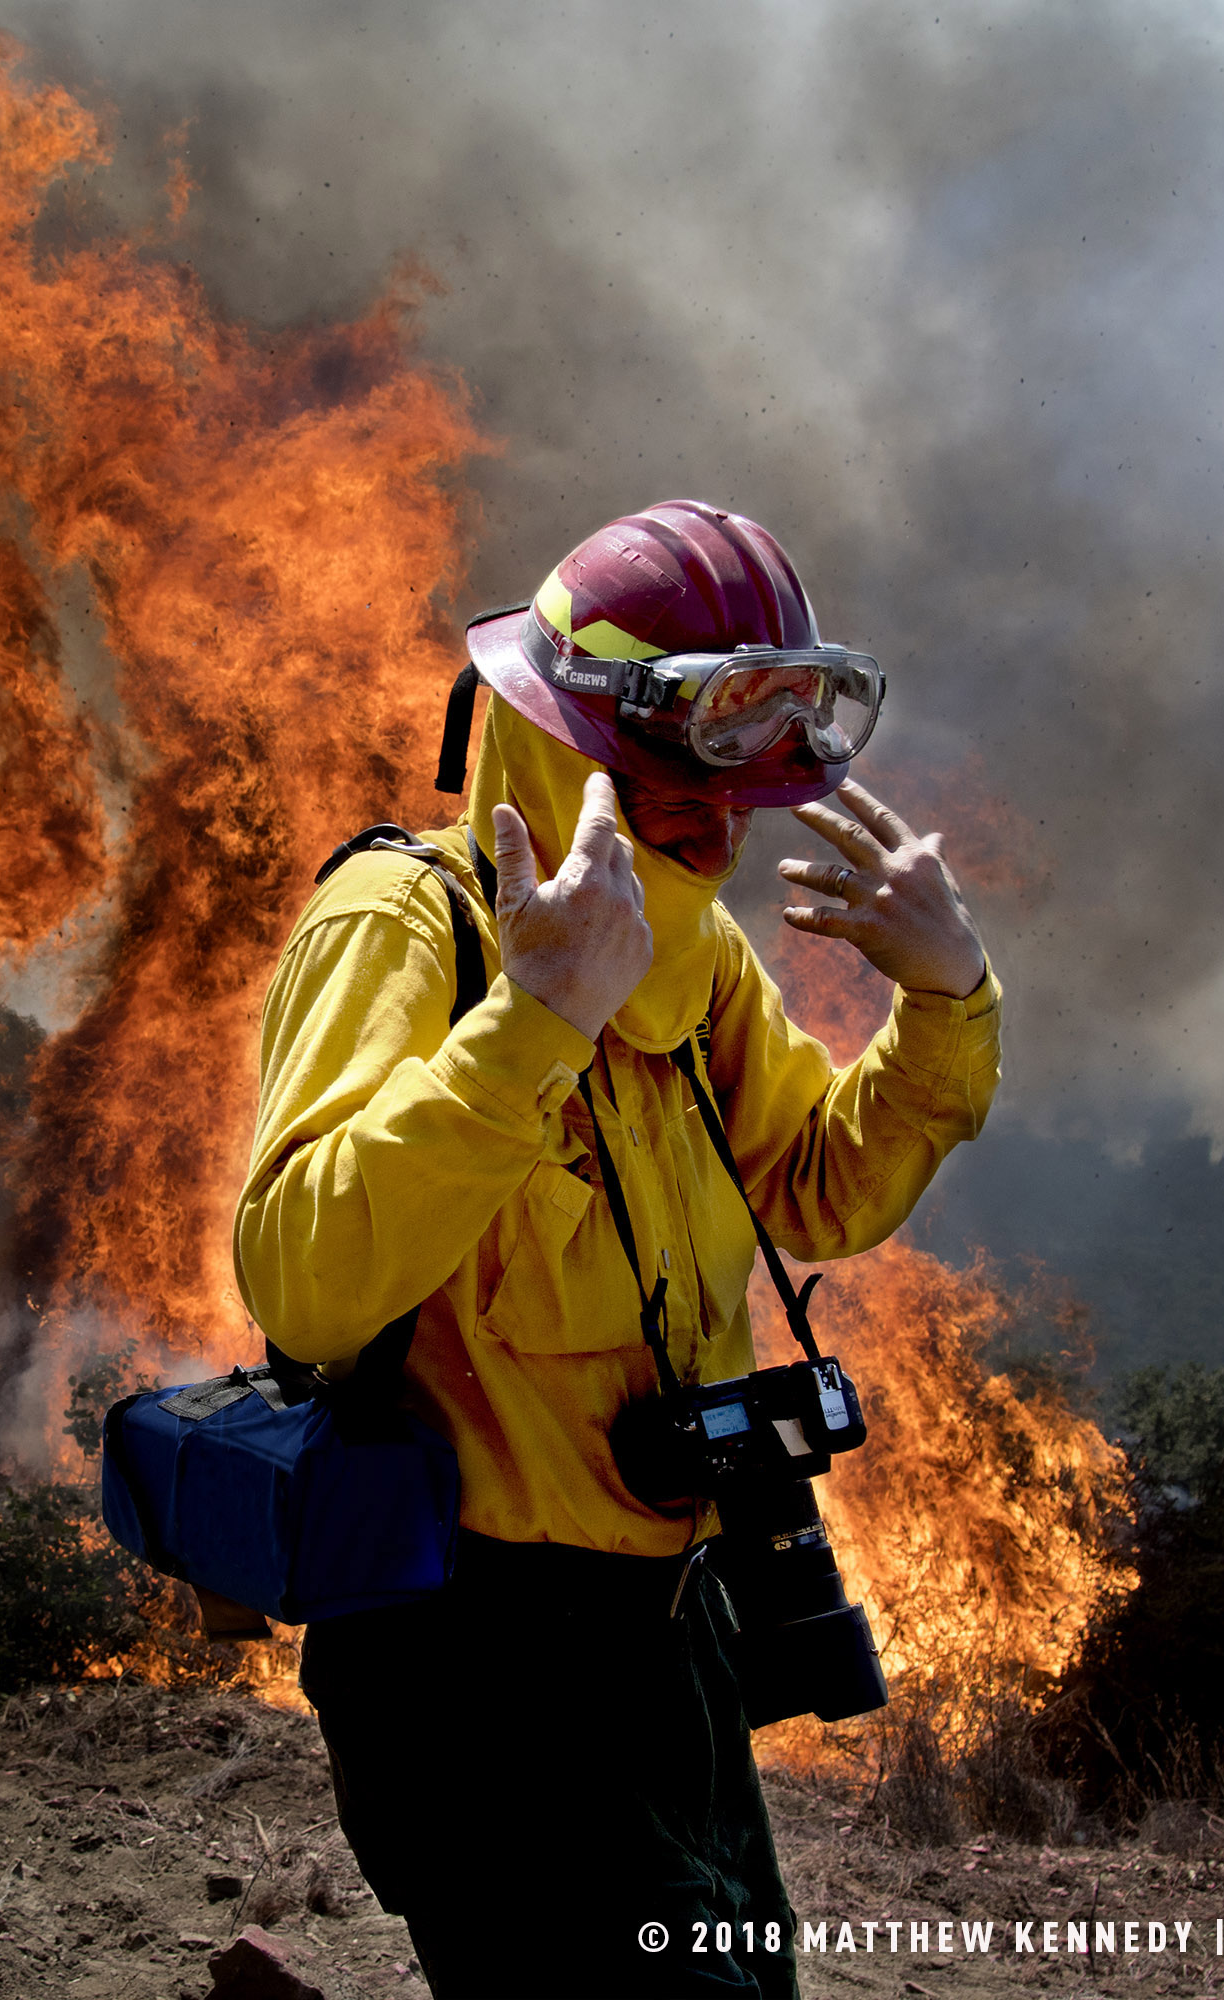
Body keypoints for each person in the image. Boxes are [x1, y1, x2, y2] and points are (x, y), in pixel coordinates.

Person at [232, 500, 1000, 1998]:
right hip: (474, 1663)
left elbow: (821, 1192)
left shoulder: (694, 953)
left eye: (744, 804)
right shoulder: (401, 929)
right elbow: (303, 1276)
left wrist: (948, 996)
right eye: (675, 799)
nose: (719, 837)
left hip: (676, 1638)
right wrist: (536, 1020)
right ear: (566, 754)